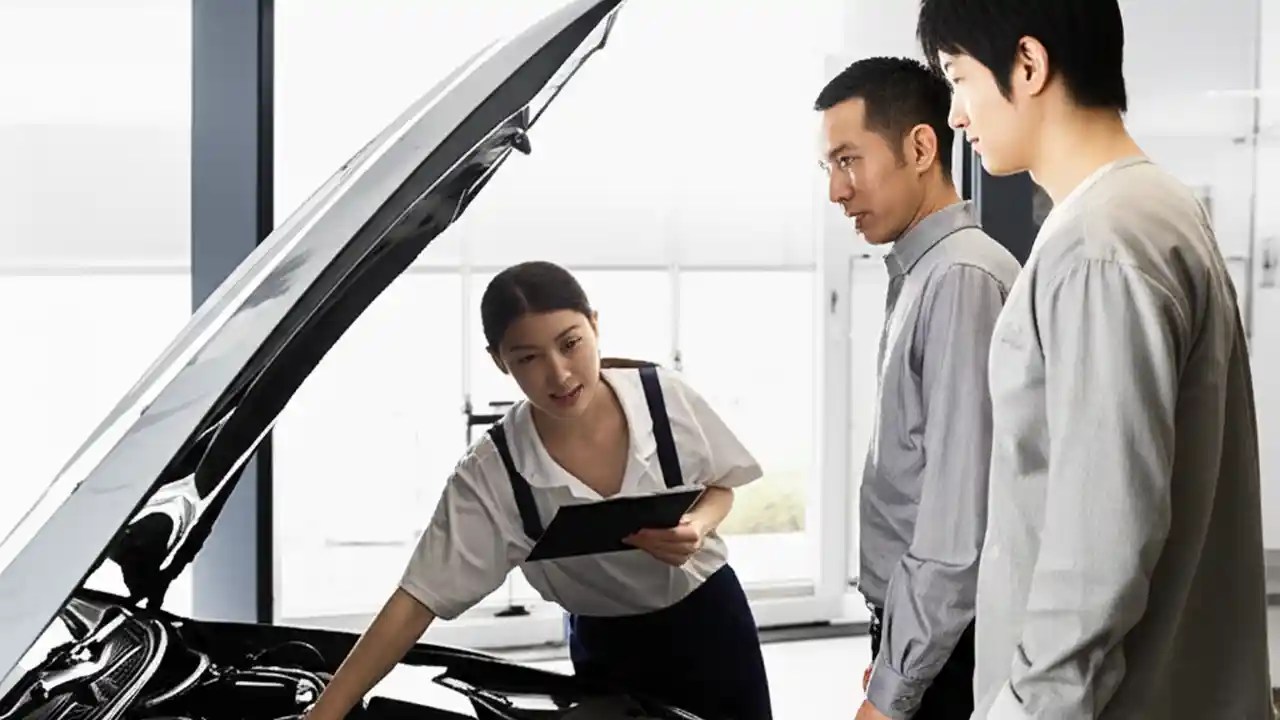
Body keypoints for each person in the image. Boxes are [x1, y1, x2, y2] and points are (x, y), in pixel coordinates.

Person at [916, 1, 1272, 717]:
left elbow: (1098, 550)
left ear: (1027, 63)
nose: (956, 114)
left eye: (958, 77)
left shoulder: (1099, 246)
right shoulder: (1154, 209)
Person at [302, 260, 773, 720]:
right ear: (498, 361)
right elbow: (416, 600)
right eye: (528, 358)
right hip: (606, 646)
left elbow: (721, 485)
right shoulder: (494, 471)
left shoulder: (662, 397)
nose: (561, 374)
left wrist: (697, 525)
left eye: (571, 344)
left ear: (594, 325)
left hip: (712, 622)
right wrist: (328, 711)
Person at [814, 57, 1020, 720]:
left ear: (922, 147)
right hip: (922, 628)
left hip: (949, 641)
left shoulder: (960, 279)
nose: (836, 191)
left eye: (849, 161)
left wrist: (893, 691)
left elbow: (956, 525)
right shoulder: (924, 271)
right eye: (829, 168)